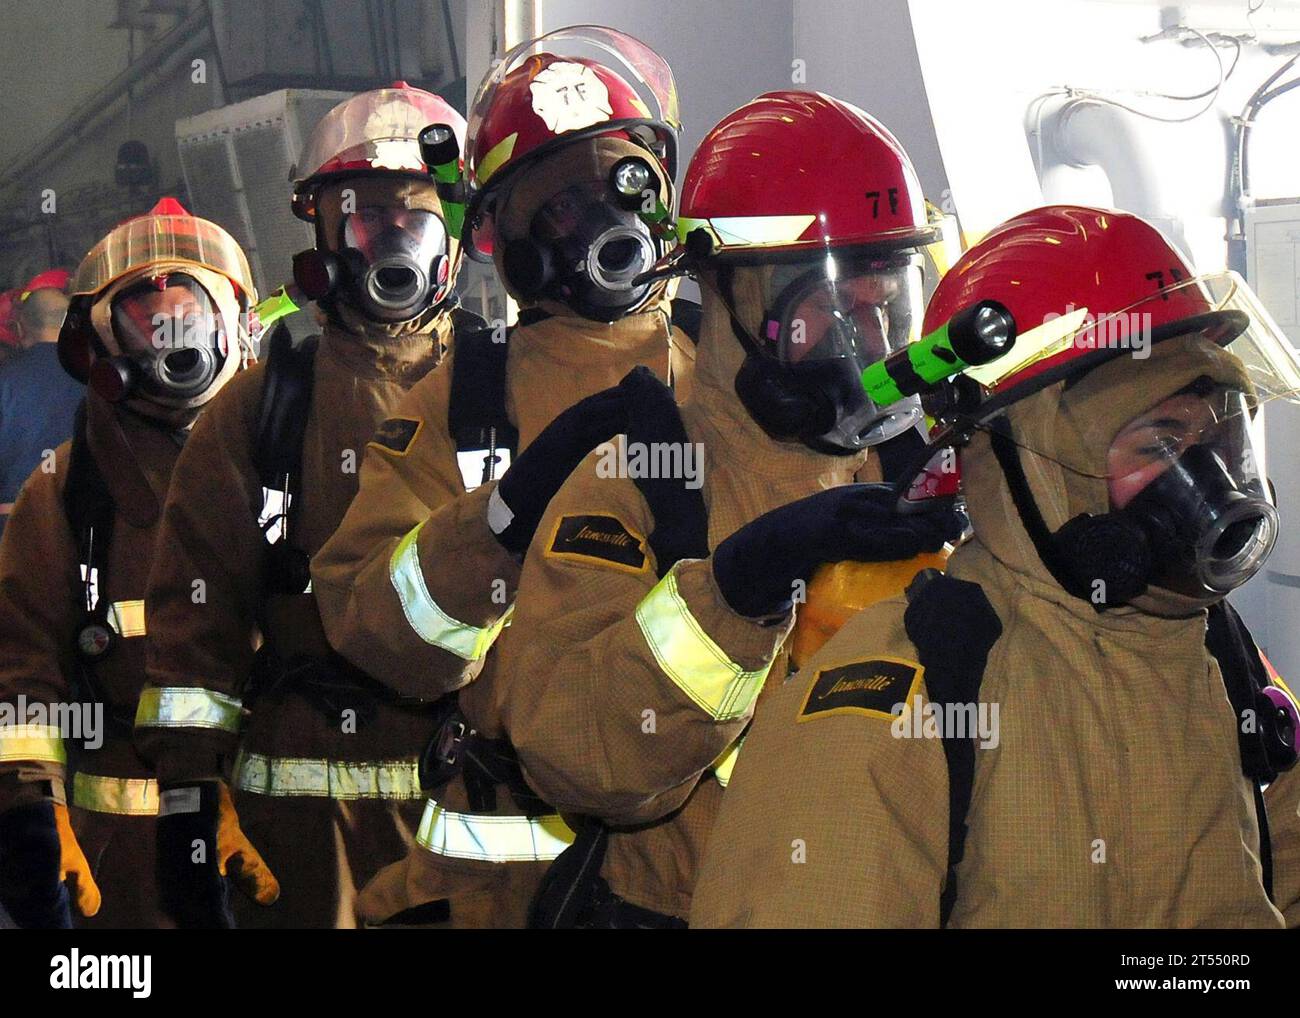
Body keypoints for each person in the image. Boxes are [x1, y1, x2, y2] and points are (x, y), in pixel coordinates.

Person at [689, 204, 1300, 928]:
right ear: (1032, 466)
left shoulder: (1222, 660)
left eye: (1221, 437)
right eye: (1158, 442)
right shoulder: (903, 698)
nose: (1214, 483)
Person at [474, 91, 962, 927]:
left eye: (892, 303)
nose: (872, 343)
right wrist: (737, 590)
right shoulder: (636, 484)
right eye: (836, 307)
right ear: (734, 299)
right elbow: (577, 758)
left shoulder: (943, 477)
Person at [311, 27, 696, 928]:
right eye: (554, 208)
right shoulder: (461, 402)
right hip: (504, 883)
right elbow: (370, 623)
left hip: (711, 870)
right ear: (502, 239)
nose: (601, 224)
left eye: (623, 182)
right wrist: (496, 526)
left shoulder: (733, 373)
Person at [133, 84, 480, 929]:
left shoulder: (506, 386)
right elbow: (194, 616)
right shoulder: (264, 407)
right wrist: (189, 800)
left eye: (417, 217)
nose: (391, 241)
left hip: (476, 817)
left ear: (460, 235)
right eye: (364, 218)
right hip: (302, 833)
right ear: (321, 232)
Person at [0, 201, 257, 928]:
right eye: (149, 322)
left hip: (280, 845)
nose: (177, 345)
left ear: (237, 327)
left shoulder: (282, 472)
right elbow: (23, 673)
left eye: (192, 316)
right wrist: (31, 812)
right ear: (100, 349)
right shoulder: (66, 492)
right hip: (124, 868)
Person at [0, 270, 82, 539]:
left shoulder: (6, 380)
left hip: (13, 524)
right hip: (84, 521)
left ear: (21, 327)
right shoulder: (100, 377)